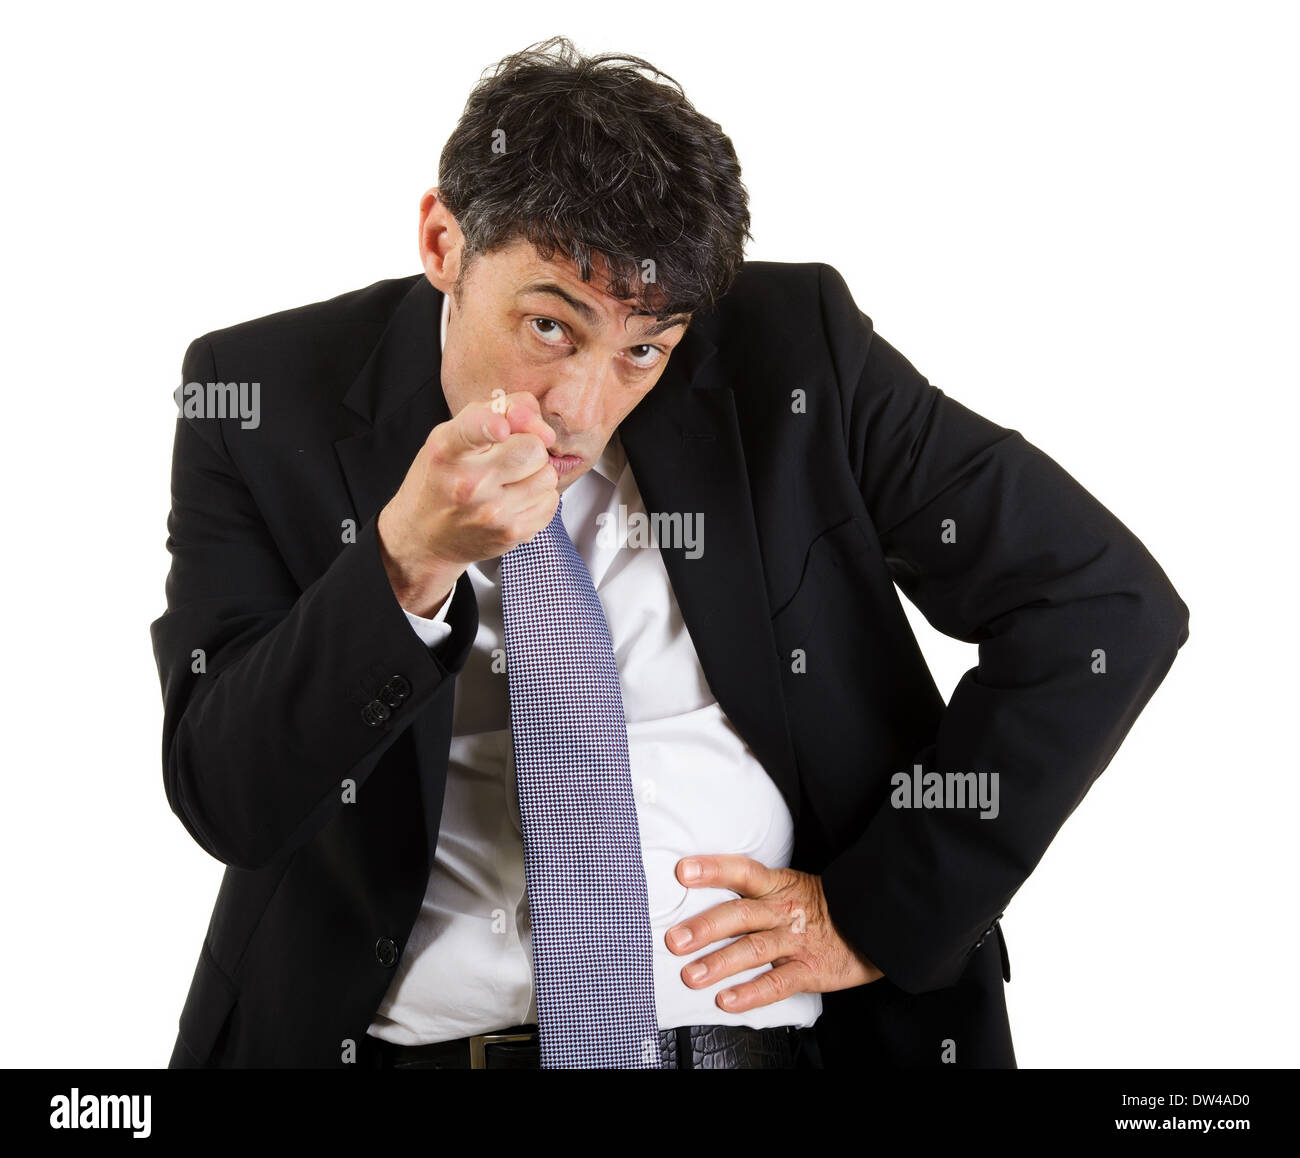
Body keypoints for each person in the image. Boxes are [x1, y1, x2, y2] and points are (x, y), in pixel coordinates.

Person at [151, 37, 1189, 1070]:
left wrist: (881, 912)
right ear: (442, 241)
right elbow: (227, 797)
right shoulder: (256, 396)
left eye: (642, 349)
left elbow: (1101, 603)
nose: (581, 412)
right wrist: (403, 565)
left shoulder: (797, 356)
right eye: (552, 327)